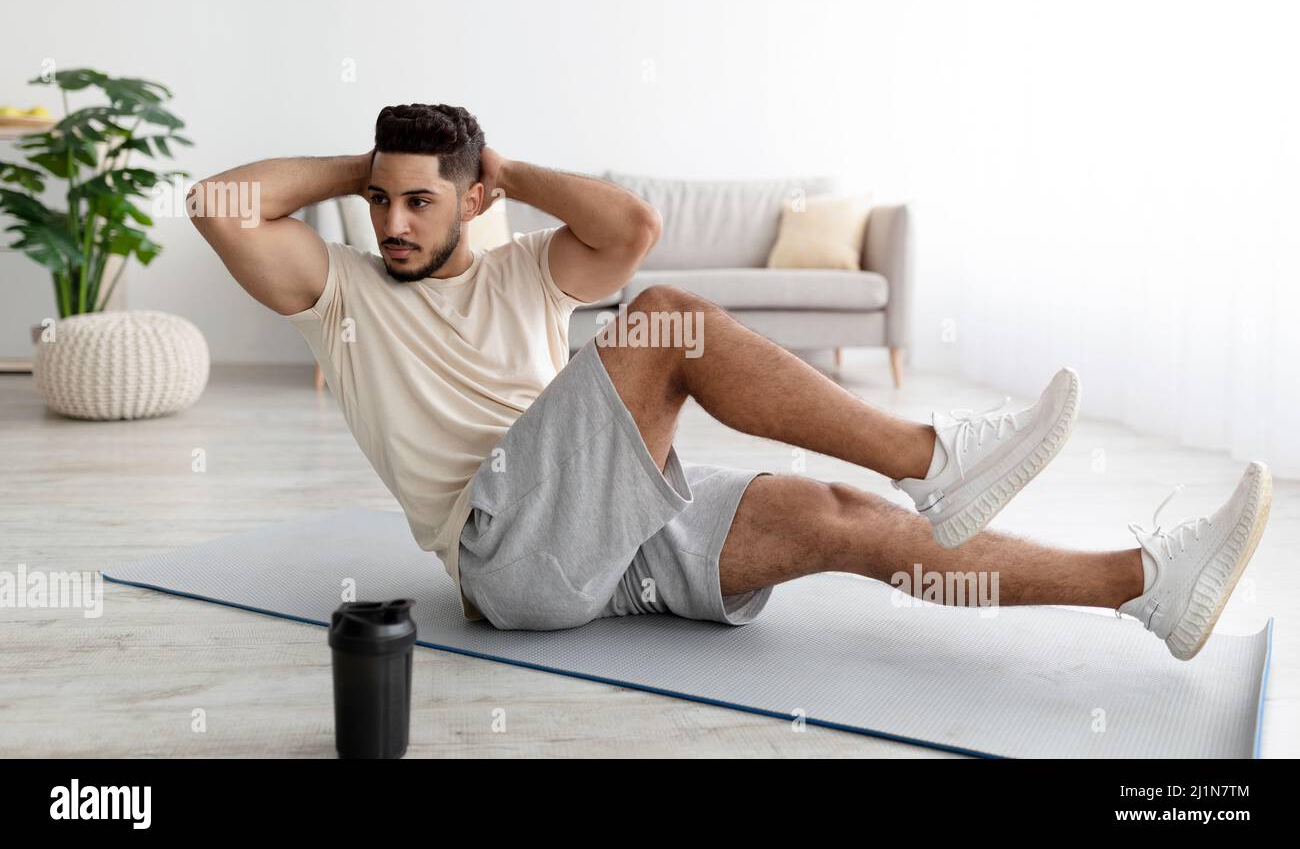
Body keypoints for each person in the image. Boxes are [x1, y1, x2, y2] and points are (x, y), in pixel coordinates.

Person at [188, 103, 1272, 662]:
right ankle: (933, 458)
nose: (391, 222)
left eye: (419, 202)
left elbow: (632, 226)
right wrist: (377, 163)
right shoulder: (340, 291)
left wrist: (495, 169)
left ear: (473, 201)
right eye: (381, 203)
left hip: (595, 531)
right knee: (668, 320)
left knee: (843, 519)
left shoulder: (525, 267)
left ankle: (1141, 586)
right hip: (503, 554)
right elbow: (214, 205)